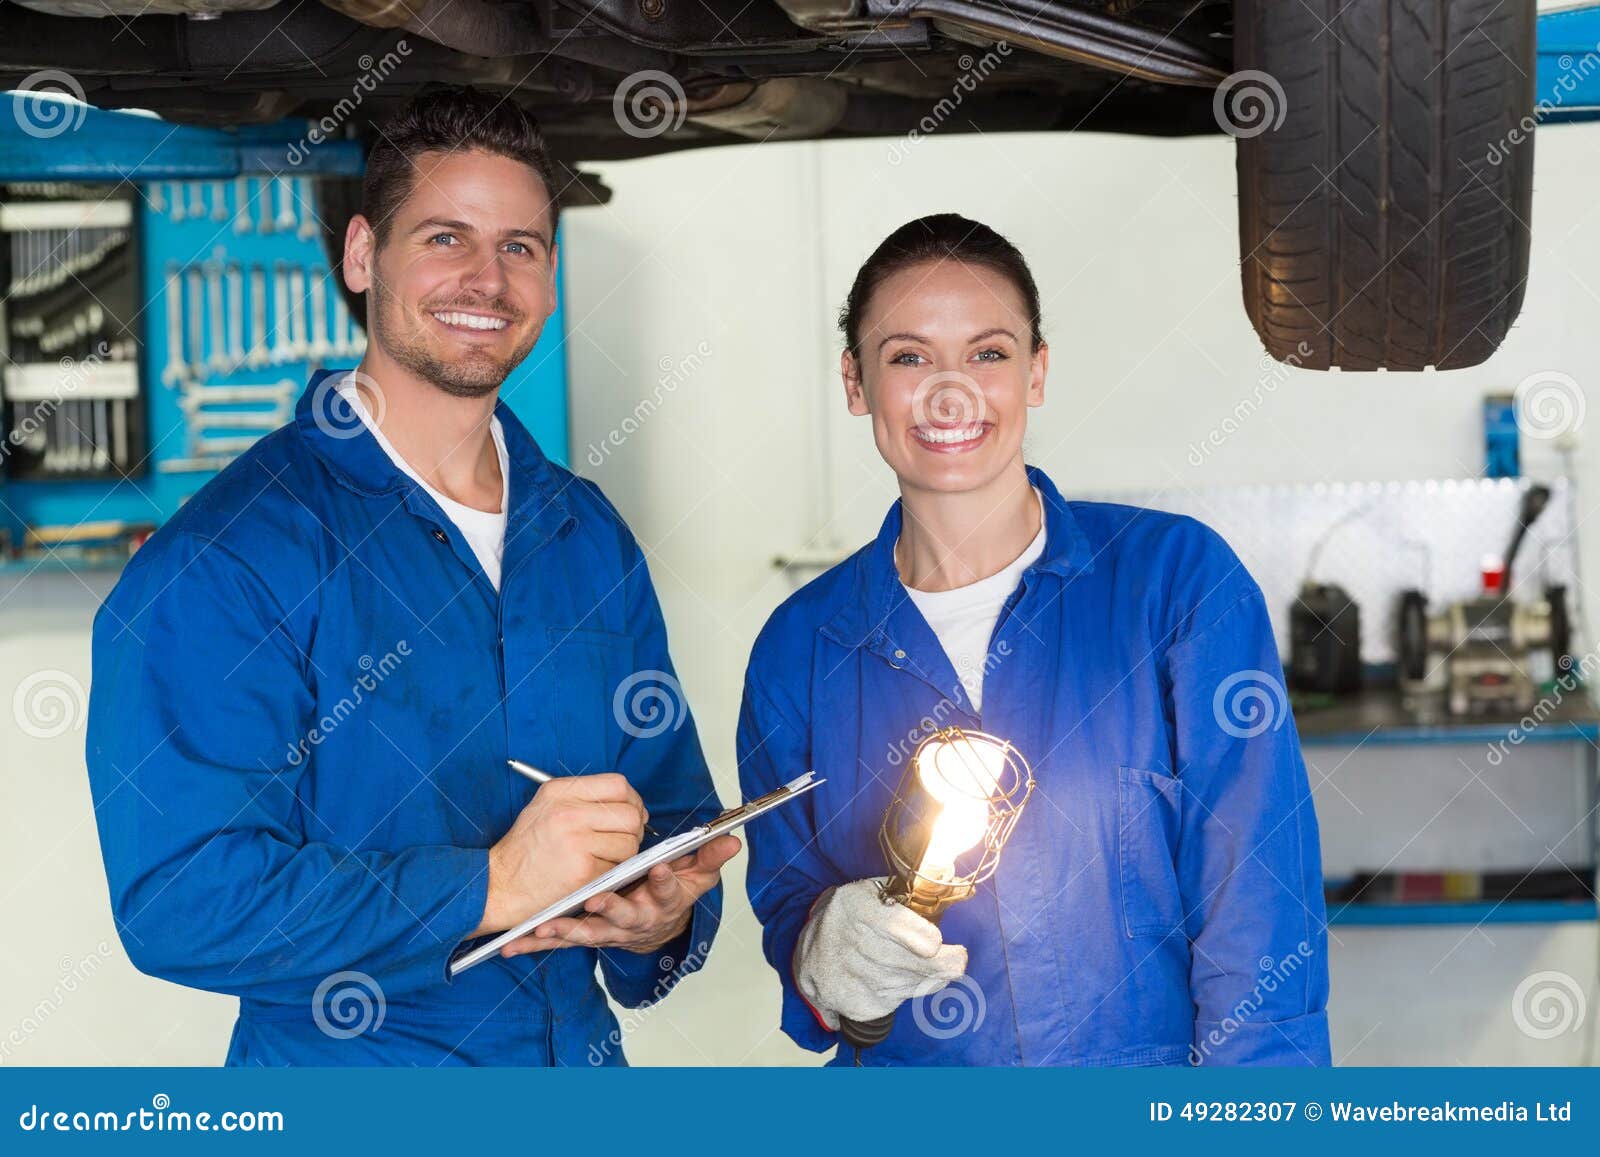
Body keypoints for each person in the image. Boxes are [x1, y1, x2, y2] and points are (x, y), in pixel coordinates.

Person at [86, 87, 738, 1066]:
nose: (488, 278)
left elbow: (671, 804)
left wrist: (658, 917)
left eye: (520, 246)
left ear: (550, 279)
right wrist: (490, 885)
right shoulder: (228, 557)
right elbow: (182, 899)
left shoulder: (585, 533)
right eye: (445, 238)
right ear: (362, 255)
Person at [737, 214, 1330, 1066]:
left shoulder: (1174, 583)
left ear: (1037, 371)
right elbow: (790, 898)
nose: (951, 393)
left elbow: (1259, 909)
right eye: (908, 357)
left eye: (988, 353)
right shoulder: (800, 649)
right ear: (855, 382)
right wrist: (820, 954)